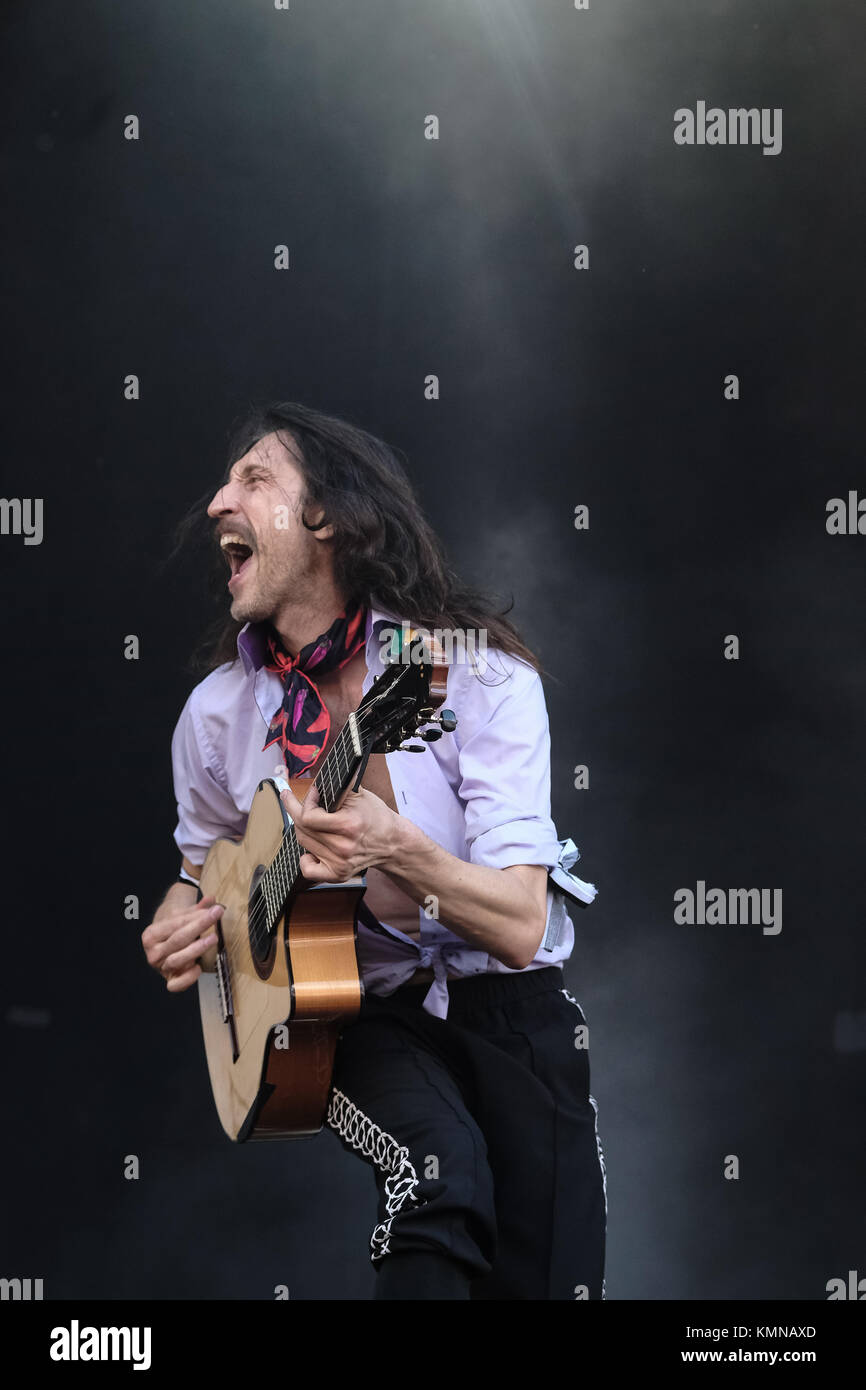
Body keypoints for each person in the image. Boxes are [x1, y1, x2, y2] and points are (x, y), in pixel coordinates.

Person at [141, 402, 606, 1300]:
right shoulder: (213, 718)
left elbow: (517, 924)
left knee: (550, 1277)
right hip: (358, 1009)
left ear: (328, 518)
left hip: (513, 1010)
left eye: (254, 477)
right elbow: (198, 869)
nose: (214, 504)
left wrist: (396, 848)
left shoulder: (479, 674)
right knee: (435, 1180)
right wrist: (178, 920)